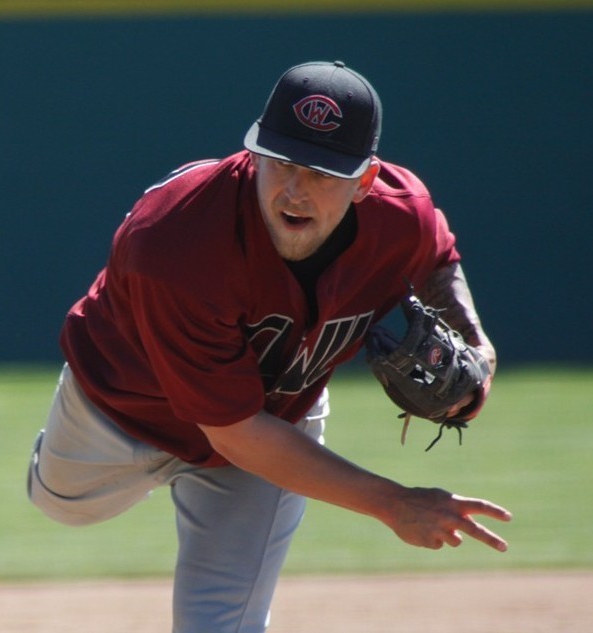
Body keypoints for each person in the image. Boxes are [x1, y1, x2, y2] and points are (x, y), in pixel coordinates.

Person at [26, 60, 511, 633]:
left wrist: (476, 349)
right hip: (119, 411)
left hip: (274, 423)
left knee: (222, 623)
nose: (296, 189)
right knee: (56, 503)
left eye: (324, 172)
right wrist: (393, 502)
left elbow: (437, 256)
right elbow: (232, 430)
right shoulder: (174, 242)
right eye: (282, 161)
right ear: (254, 152)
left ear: (364, 180)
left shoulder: (400, 214)